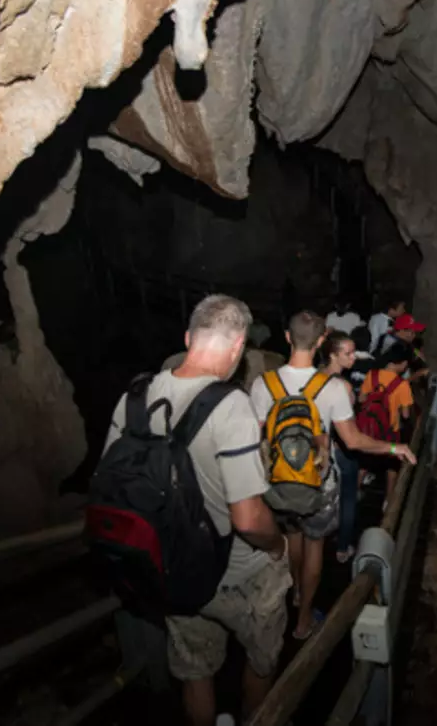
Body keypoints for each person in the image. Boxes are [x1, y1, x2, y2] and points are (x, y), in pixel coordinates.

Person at [104, 295, 290, 726]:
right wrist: (278, 544)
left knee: (195, 673)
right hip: (238, 574)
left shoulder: (133, 398)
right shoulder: (232, 407)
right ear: (239, 346)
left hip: (169, 566)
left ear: (188, 337)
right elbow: (247, 518)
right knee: (262, 662)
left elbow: (111, 485)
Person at [250, 311, 415, 640]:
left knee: (292, 537)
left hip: (278, 482)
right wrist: (395, 449)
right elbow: (354, 441)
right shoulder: (333, 387)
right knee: (314, 545)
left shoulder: (262, 384)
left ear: (286, 337)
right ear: (322, 340)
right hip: (317, 484)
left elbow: (257, 439)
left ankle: (295, 593)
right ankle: (304, 619)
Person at [319, 331, 362, 563]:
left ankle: (318, 540)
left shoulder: (313, 377)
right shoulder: (343, 386)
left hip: (318, 449)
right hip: (339, 449)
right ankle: (343, 547)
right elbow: (349, 426)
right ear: (334, 355)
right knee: (347, 497)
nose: (354, 357)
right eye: (348, 353)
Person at [358, 342, 416, 505]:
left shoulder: (372, 374)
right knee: (391, 467)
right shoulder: (402, 384)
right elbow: (405, 414)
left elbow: (361, 399)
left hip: (368, 428)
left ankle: (354, 492)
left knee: (364, 462)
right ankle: (388, 501)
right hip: (390, 430)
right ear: (403, 363)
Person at [373, 312, 430, 382]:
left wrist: (416, 352)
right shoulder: (402, 348)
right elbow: (393, 382)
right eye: (412, 332)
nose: (414, 336)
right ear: (401, 331)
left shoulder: (384, 337)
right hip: (384, 386)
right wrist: (417, 375)